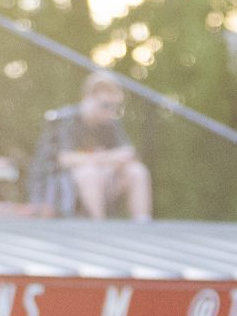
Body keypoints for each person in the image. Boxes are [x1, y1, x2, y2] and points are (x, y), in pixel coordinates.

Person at [34, 73, 152, 219]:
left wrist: (104, 163)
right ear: (88, 97)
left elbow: (128, 153)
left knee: (137, 171)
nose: (110, 111)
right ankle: (99, 225)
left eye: (115, 106)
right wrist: (105, 159)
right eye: (105, 105)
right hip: (63, 189)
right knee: (90, 173)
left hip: (103, 182)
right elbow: (64, 159)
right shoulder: (65, 120)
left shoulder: (110, 124)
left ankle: (142, 223)